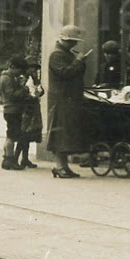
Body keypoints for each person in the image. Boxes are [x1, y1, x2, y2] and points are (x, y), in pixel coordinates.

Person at [45, 24, 90, 178]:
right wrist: (78, 61)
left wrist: (79, 62)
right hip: (61, 100)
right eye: (72, 41)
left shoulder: (66, 54)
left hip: (68, 99)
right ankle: (59, 166)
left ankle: (64, 166)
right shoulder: (56, 55)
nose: (75, 44)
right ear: (65, 40)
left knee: (66, 134)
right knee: (60, 134)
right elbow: (65, 73)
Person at [0, 56, 38, 170]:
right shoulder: (7, 79)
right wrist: (25, 89)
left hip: (13, 109)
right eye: (19, 71)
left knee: (11, 134)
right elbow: (12, 95)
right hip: (12, 109)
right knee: (12, 135)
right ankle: (9, 159)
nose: (20, 73)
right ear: (13, 67)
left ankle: (7, 159)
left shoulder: (10, 78)